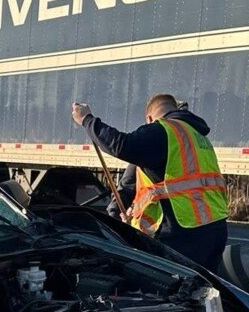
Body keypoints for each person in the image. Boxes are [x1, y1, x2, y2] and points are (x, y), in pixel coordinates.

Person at [72, 93, 230, 273]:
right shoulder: (196, 136)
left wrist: (87, 120)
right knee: (204, 292)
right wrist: (121, 215)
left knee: (172, 290)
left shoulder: (164, 131)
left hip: (184, 232)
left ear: (149, 118)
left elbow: (121, 145)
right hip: (214, 228)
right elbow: (133, 183)